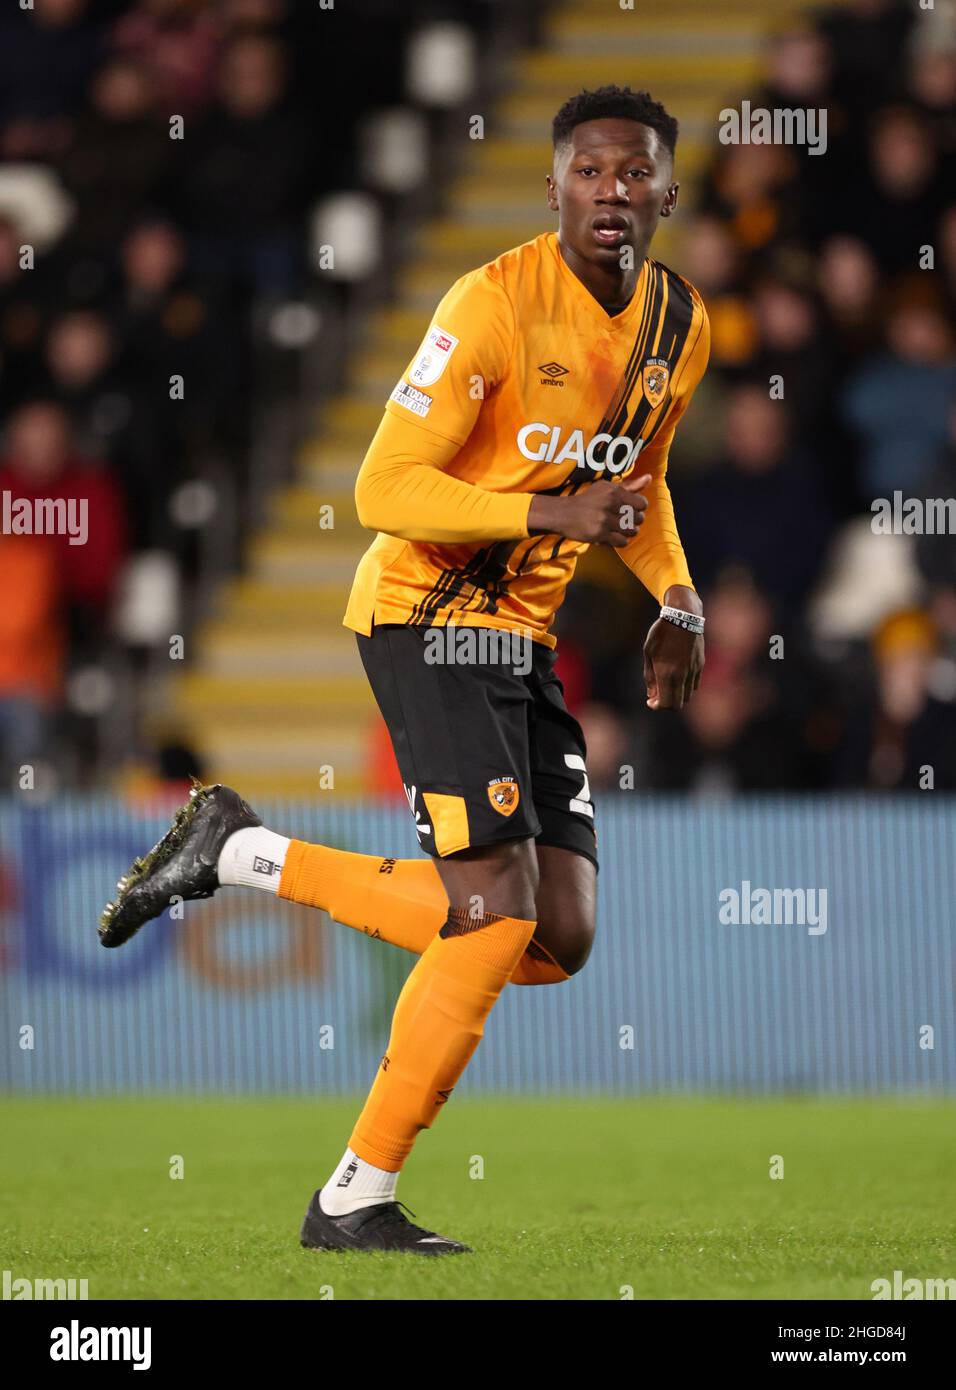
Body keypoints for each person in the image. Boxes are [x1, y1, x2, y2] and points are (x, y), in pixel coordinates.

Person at [98, 84, 710, 1255]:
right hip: (425, 610)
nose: (611, 193)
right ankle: (352, 1197)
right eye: (588, 171)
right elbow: (382, 487)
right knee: (489, 916)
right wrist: (547, 508)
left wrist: (673, 592)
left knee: (553, 936)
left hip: (518, 641)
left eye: (634, 174)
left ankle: (234, 848)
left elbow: (637, 490)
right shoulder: (487, 305)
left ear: (667, 194)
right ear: (552, 186)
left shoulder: (681, 329)